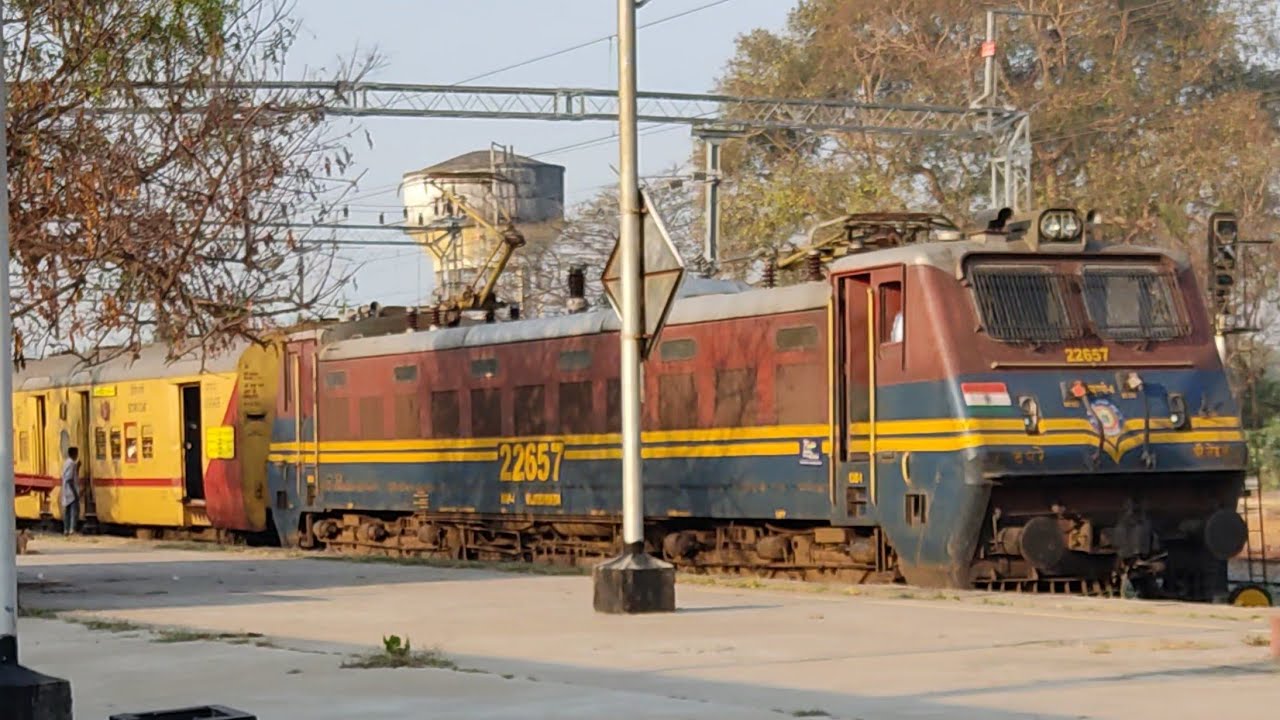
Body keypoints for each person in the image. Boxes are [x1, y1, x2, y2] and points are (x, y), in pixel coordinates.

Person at [61, 447, 80, 536]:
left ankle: (66, 529)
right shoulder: (72, 463)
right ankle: (72, 529)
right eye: (77, 453)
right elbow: (70, 479)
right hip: (71, 490)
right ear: (74, 454)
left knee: (67, 511)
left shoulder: (66, 462)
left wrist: (78, 467)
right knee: (73, 511)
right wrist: (75, 492)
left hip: (65, 490)